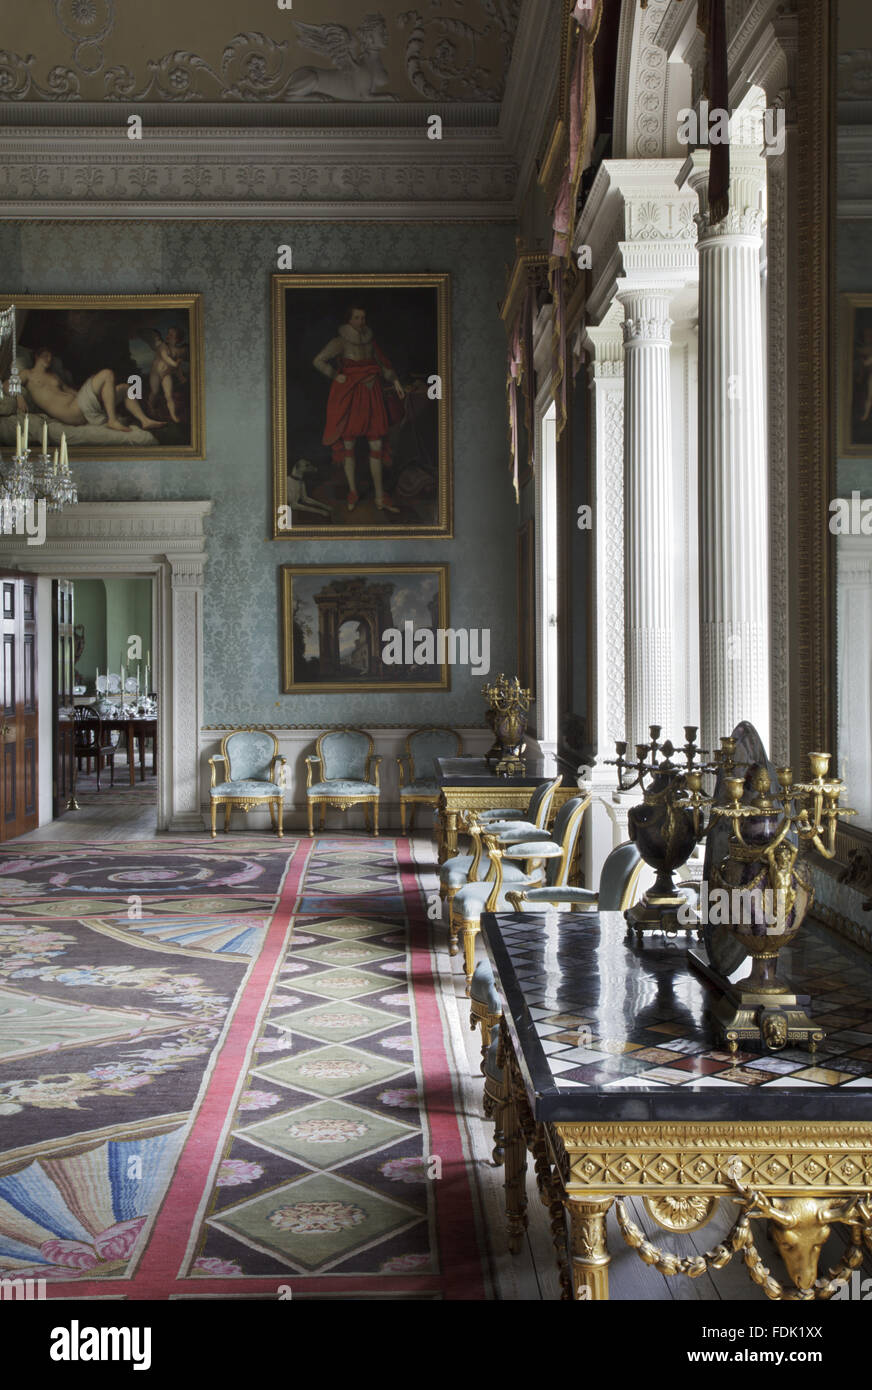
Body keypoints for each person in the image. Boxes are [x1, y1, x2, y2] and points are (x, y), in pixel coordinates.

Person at [313, 305, 405, 512]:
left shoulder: (370, 342)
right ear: (349, 320)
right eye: (357, 317)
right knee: (349, 447)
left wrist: (396, 381)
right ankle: (353, 491)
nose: (361, 321)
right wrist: (336, 375)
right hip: (351, 396)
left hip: (372, 396)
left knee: (376, 446)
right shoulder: (339, 342)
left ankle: (380, 497)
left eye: (363, 317)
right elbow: (318, 361)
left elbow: (382, 367)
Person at [12, 348, 165, 433]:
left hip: (80, 406)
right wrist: (19, 396)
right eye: (45, 356)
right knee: (107, 374)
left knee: (125, 388)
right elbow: (7, 385)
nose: (49, 359)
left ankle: (145, 421)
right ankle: (112, 420)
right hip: (70, 412)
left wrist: (94, 390)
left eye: (51, 357)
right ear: (36, 356)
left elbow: (71, 392)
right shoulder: (27, 374)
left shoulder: (54, 376)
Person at [147, 326, 187, 424]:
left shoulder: (177, 351)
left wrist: (181, 377)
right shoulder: (163, 346)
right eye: (168, 334)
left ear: (177, 339)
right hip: (155, 373)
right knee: (155, 392)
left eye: (171, 335)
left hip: (166, 374)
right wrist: (175, 363)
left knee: (169, 396)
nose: (168, 336)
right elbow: (166, 358)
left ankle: (173, 416)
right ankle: (150, 406)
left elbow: (176, 368)